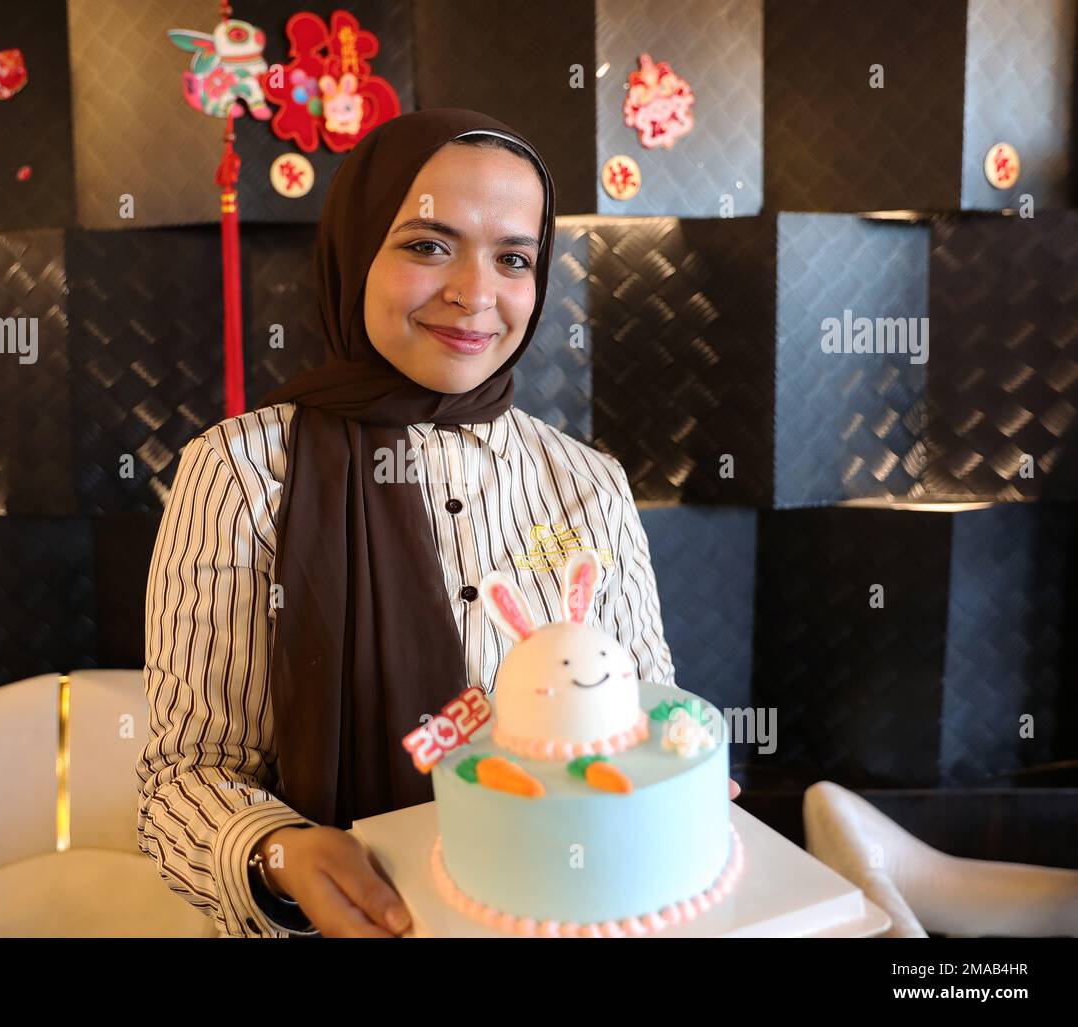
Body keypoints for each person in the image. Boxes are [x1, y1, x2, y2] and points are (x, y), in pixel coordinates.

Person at [137, 107, 737, 938]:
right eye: (427, 244)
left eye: (514, 257)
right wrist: (279, 851)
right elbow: (184, 776)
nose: (475, 294)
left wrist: (674, 780)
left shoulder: (587, 483)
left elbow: (637, 708)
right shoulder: (243, 471)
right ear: (356, 253)